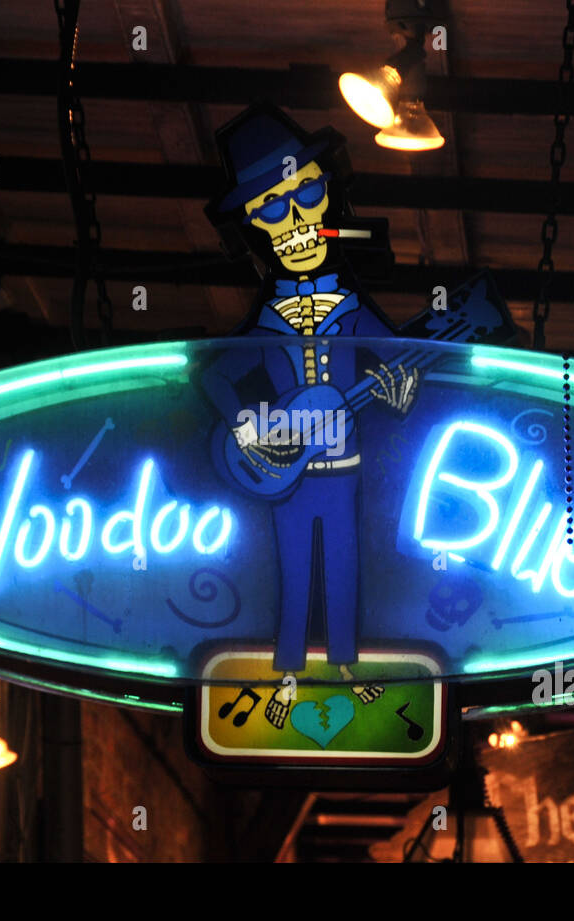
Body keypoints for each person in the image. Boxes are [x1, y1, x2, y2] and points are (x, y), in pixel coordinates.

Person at [200, 104, 418, 728]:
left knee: (344, 558)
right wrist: (247, 422)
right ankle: (289, 670)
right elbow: (213, 376)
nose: (295, 219)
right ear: (252, 224)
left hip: (344, 462)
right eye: (272, 206)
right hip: (280, 467)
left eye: (308, 193)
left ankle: (345, 665)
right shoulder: (265, 318)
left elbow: (404, 362)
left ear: (329, 196)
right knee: (294, 565)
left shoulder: (353, 308)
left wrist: (400, 393)